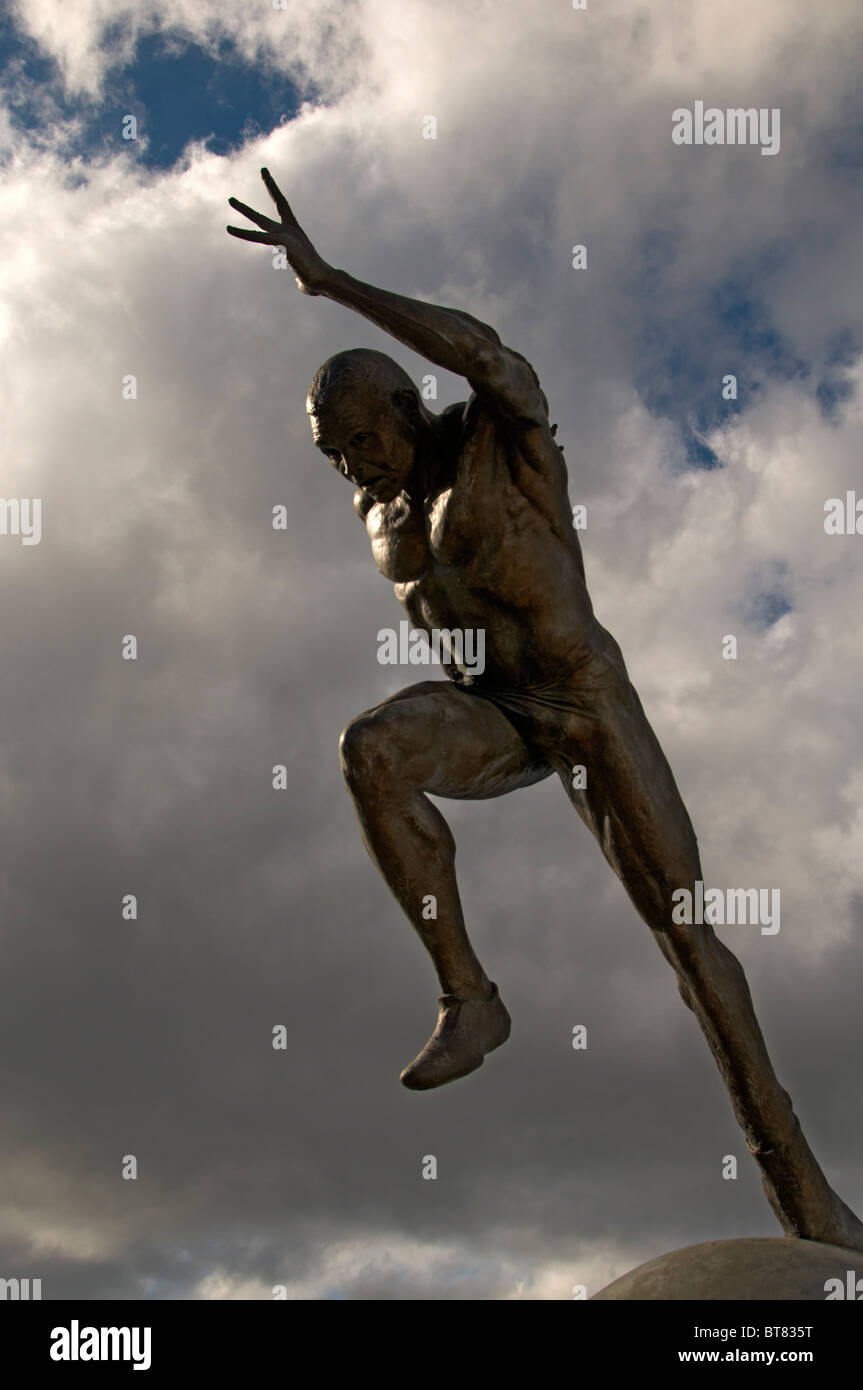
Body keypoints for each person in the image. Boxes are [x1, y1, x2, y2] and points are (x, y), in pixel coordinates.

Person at [227, 169, 863, 1249]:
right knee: (368, 751)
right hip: (494, 715)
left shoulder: (498, 432)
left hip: (581, 702)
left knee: (688, 940)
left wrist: (329, 282)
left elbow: (481, 350)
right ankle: (469, 996)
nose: (350, 464)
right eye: (330, 453)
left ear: (403, 401)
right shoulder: (380, 517)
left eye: (361, 438)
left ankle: (802, 1195)